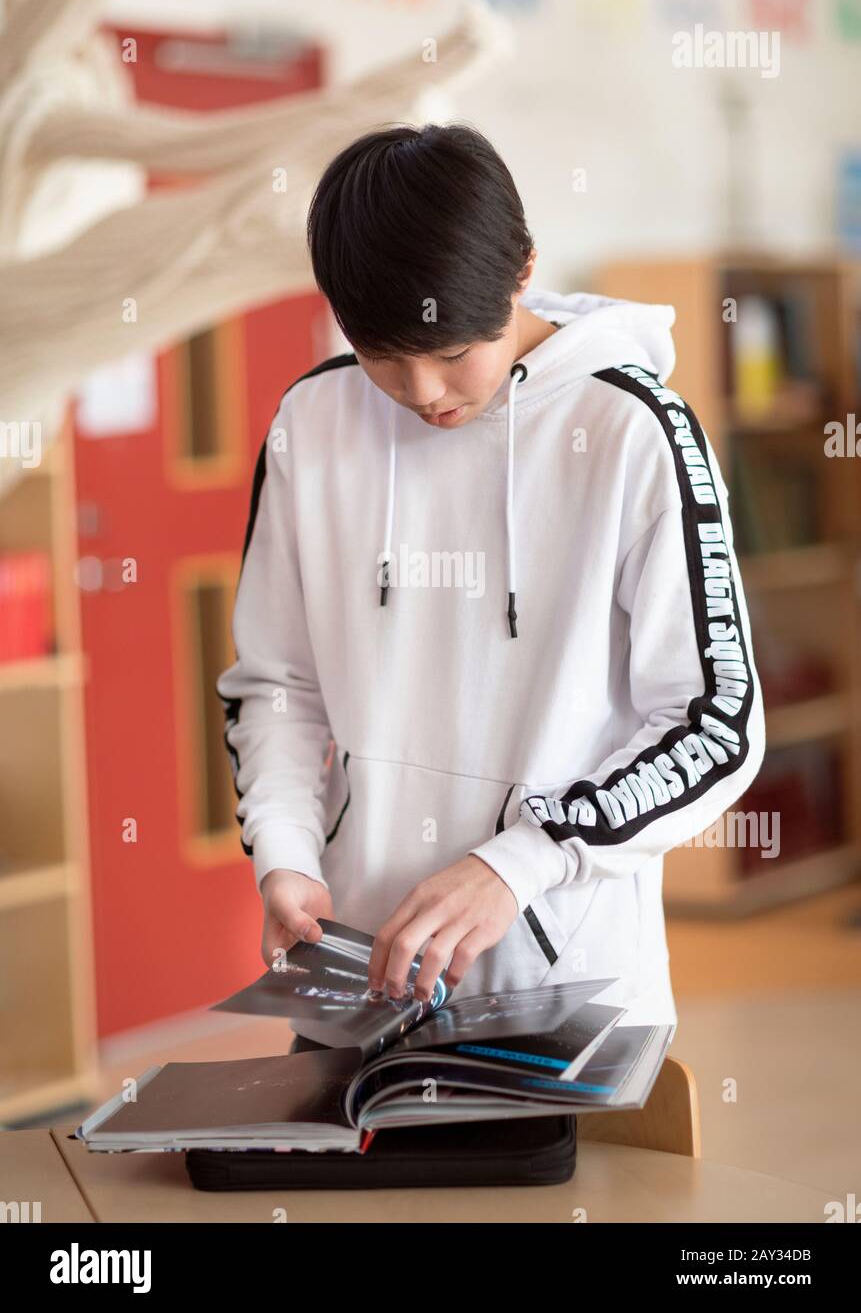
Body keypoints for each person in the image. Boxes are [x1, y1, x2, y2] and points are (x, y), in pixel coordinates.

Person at [216, 123, 766, 1033]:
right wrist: (284, 853)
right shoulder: (310, 423)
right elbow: (277, 684)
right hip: (353, 982)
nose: (425, 391)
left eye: (452, 353)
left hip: (569, 994)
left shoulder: (636, 433)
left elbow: (714, 722)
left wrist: (524, 861)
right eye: (385, 359)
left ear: (521, 272)